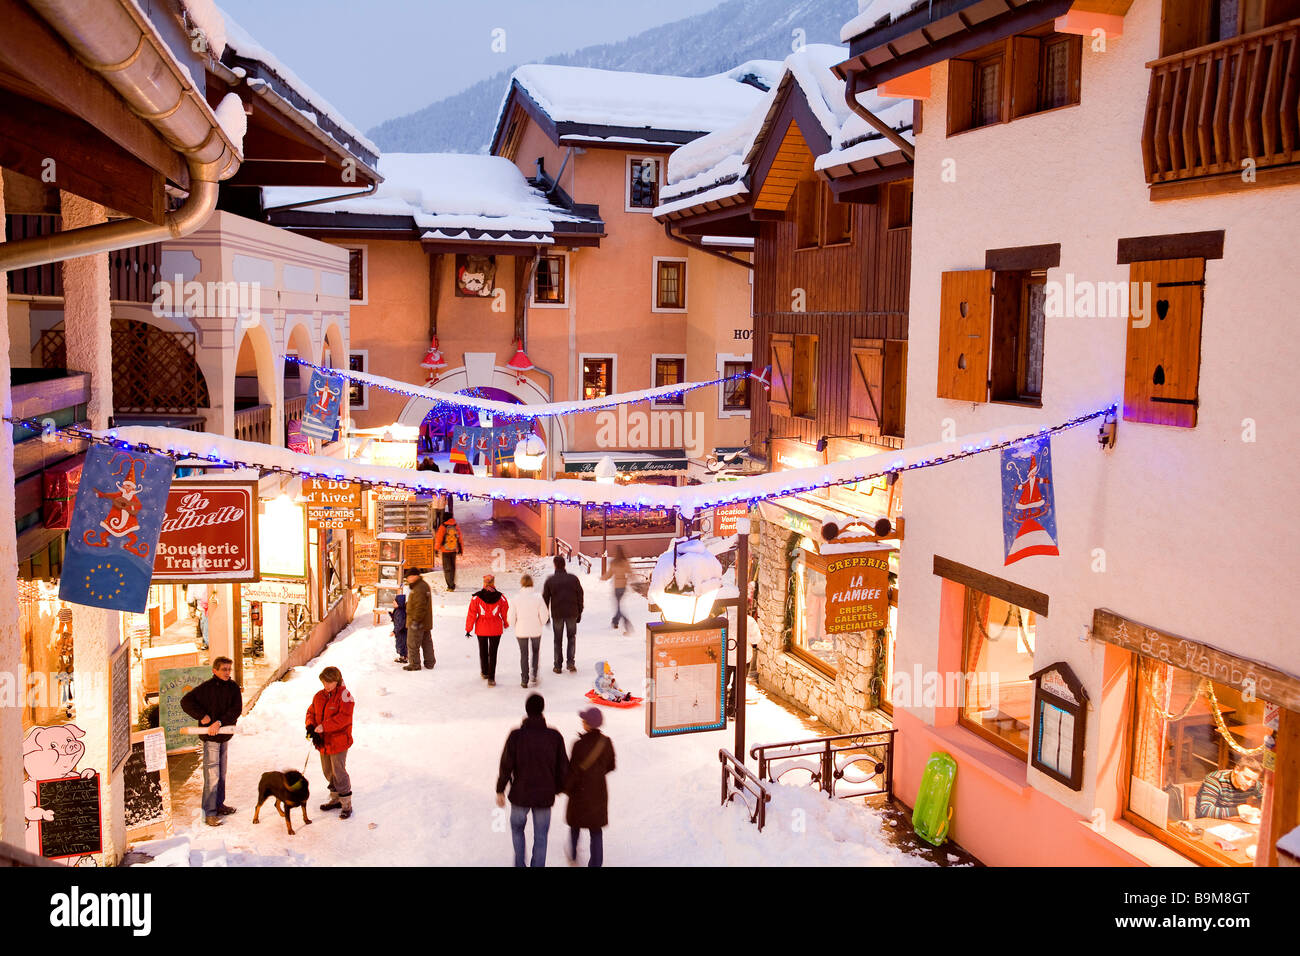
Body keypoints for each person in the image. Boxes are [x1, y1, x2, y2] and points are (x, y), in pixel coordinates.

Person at [495, 694, 569, 867]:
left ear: (527, 710)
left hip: (520, 794)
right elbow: (563, 767)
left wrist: (500, 789)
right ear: (542, 710)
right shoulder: (554, 736)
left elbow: (506, 764)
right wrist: (557, 788)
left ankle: (519, 864)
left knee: (517, 830)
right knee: (541, 836)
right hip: (544, 796)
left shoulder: (516, 736)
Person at [180, 657, 242, 827]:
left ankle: (219, 805)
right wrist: (202, 716)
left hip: (224, 736)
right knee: (212, 776)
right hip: (211, 739)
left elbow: (236, 709)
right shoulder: (206, 688)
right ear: (215, 671)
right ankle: (209, 813)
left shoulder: (233, 687)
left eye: (229, 669)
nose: (227, 672)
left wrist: (219, 722)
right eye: (224, 669)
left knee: (221, 773)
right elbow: (185, 701)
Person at [564, 706, 616, 867]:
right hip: (598, 792)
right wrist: (597, 775)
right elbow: (611, 765)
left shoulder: (578, 745)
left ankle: (572, 857)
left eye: (584, 720)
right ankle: (596, 863)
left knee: (575, 825)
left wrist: (566, 787)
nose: (582, 721)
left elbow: (572, 769)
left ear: (588, 724)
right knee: (595, 830)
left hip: (579, 792)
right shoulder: (606, 743)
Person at [305, 666, 355, 819]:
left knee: (339, 771)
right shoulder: (319, 696)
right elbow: (311, 712)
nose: (326, 685)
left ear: (337, 681)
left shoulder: (344, 695)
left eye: (329, 682)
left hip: (339, 741)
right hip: (323, 742)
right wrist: (310, 726)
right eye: (324, 682)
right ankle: (335, 799)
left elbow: (344, 717)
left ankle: (346, 804)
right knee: (327, 770)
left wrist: (324, 727)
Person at [466, 574, 510, 687]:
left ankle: (485, 672)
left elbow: (471, 614)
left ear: (484, 583)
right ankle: (491, 678)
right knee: (493, 653)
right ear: (494, 583)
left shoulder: (476, 597)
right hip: (496, 628)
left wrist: (468, 628)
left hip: (482, 627)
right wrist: (505, 623)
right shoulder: (501, 597)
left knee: (483, 650)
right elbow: (505, 612)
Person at [542, 555, 584, 674]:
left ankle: (557, 666)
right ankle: (570, 663)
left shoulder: (550, 580)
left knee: (557, 640)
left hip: (557, 614)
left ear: (555, 565)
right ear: (564, 565)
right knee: (571, 638)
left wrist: (546, 616)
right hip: (572, 613)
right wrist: (579, 611)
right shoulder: (573, 579)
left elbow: (545, 599)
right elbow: (580, 596)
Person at [508, 573, 550, 688]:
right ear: (532, 583)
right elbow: (545, 615)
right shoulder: (538, 598)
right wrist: (540, 623)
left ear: (521, 583)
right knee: (535, 652)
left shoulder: (516, 599)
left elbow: (511, 618)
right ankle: (534, 675)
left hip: (521, 630)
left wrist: (515, 625)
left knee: (524, 654)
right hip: (536, 630)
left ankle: (524, 679)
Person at [1196, 757, 1264, 819]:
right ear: (1237, 770)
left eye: (1254, 780)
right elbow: (1205, 809)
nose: (1249, 784)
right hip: (1209, 821)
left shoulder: (1254, 784)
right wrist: (1238, 811)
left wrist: (1260, 811)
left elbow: (1269, 801)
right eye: (1246, 778)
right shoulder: (1215, 780)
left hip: (1235, 821)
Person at [403, 568, 435, 671]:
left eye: (410, 577)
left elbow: (420, 606)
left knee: (412, 643)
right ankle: (430, 662)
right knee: (426, 642)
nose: (409, 579)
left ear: (416, 576)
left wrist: (415, 621)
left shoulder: (419, 588)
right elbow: (417, 603)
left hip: (418, 621)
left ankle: (415, 664)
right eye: (408, 577)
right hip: (424, 621)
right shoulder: (421, 585)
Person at [601, 546, 633, 634]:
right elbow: (630, 573)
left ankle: (626, 622)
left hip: (616, 587)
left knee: (618, 607)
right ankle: (615, 621)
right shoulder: (625, 562)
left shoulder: (613, 563)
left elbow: (609, 574)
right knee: (618, 605)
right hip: (623, 587)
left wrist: (602, 578)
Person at [434, 511, 463, 590]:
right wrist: (461, 549)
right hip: (453, 550)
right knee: (453, 567)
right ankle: (452, 582)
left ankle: (450, 585)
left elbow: (439, 539)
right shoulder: (455, 526)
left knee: (447, 568)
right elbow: (460, 538)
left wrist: (436, 549)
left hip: (445, 550)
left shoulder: (443, 526)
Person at [390, 593, 408, 665]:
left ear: (399, 603)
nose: (393, 602)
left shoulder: (400, 612)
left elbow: (400, 623)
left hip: (401, 632)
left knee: (401, 644)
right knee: (400, 643)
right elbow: (396, 619)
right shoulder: (398, 610)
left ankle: (403, 657)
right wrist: (391, 614)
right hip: (400, 632)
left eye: (395, 601)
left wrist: (395, 631)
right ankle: (403, 656)